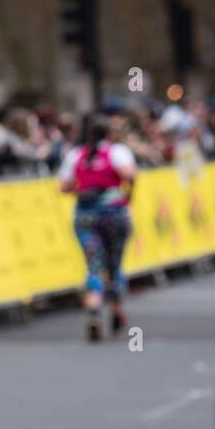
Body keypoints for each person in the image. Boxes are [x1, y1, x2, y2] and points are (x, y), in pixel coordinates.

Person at [58, 115, 136, 341]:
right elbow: (129, 175)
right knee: (115, 264)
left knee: (93, 265)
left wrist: (86, 187)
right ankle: (116, 310)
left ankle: (94, 311)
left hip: (85, 216)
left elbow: (64, 186)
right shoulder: (117, 152)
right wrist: (124, 195)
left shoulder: (75, 155)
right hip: (114, 215)